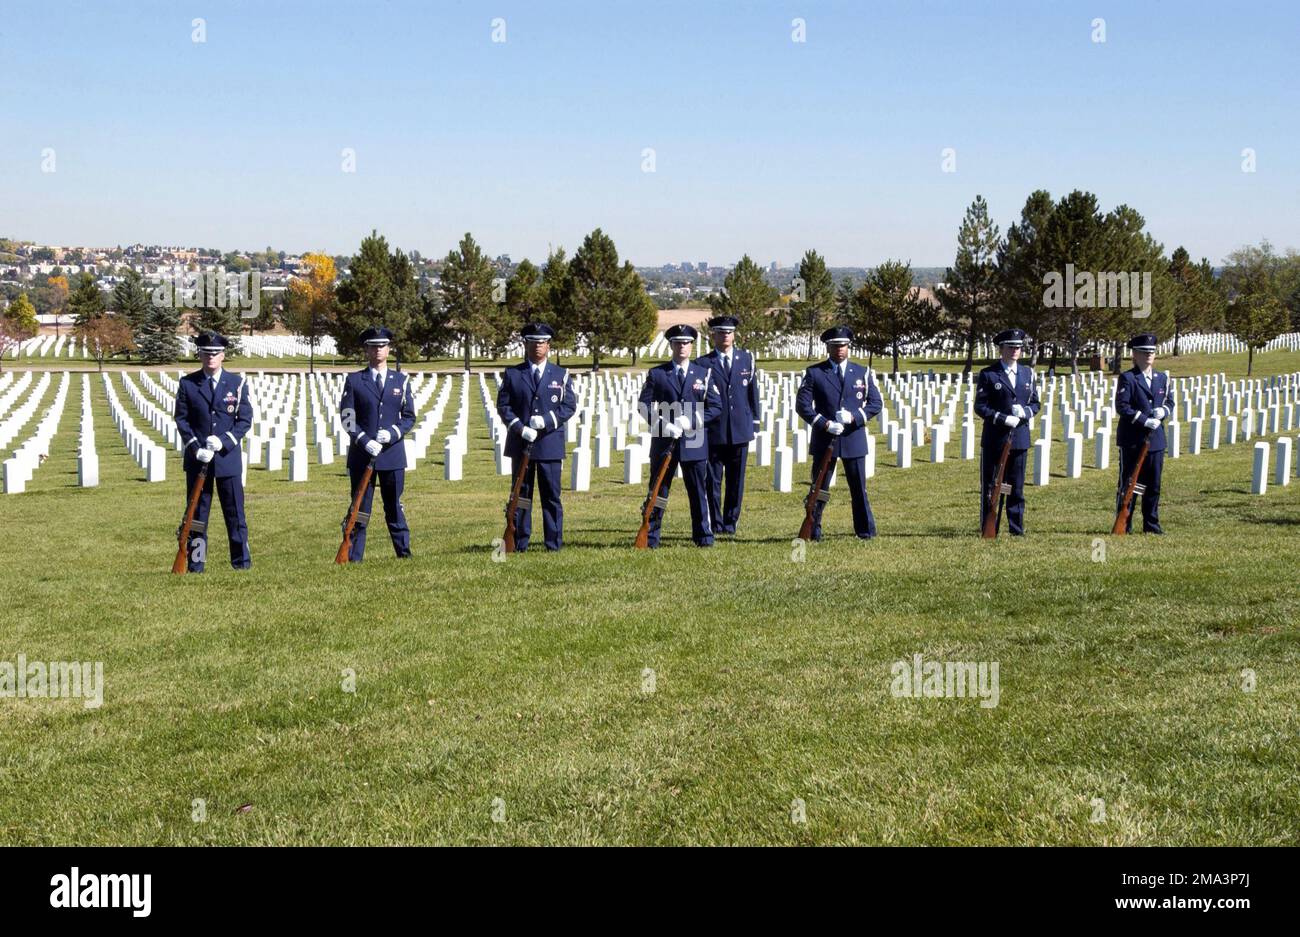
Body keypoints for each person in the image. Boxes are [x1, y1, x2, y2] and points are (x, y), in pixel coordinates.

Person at [173, 332, 253, 572]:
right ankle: (196, 564)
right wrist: (196, 449)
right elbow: (182, 419)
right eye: (206, 352)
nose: (211, 357)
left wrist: (224, 442)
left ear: (223, 355)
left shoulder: (237, 384)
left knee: (235, 515)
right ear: (199, 354)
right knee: (197, 516)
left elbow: (244, 420)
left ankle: (241, 562)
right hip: (199, 461)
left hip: (227, 460)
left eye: (215, 353)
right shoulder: (188, 384)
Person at [495, 322, 578, 551]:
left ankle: (553, 543)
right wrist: (520, 428)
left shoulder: (560, 374)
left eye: (542, 342)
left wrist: (548, 420)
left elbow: (569, 405)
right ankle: (520, 541)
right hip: (522, 444)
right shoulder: (513, 374)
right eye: (533, 342)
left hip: (549, 444)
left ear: (549, 346)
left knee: (551, 497)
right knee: (522, 496)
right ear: (526, 344)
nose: (538, 346)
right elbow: (503, 405)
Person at [637, 324, 722, 547]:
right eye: (678, 342)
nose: (682, 346)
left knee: (697, 491)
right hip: (664, 440)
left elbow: (715, 407)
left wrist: (691, 421)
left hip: (694, 440)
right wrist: (663, 424)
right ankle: (651, 536)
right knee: (659, 490)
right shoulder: (657, 374)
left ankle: (703, 536)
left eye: (686, 343)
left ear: (692, 346)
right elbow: (643, 405)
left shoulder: (704, 374)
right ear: (671, 345)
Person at [795, 326, 882, 540]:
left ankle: (865, 530)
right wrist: (824, 424)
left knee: (858, 489)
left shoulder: (862, 372)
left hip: (853, 437)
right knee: (819, 488)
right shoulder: (815, 373)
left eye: (843, 346)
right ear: (828, 347)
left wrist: (855, 417)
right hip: (826, 438)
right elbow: (803, 405)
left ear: (848, 347)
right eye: (835, 346)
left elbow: (875, 403)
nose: (840, 350)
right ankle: (813, 530)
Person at [338, 327, 416, 560]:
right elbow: (347, 417)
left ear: (389, 349)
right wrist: (364, 440)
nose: (378, 350)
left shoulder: (400, 380)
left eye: (382, 346)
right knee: (361, 508)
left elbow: (409, 416)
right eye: (373, 346)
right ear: (366, 350)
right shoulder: (354, 380)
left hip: (392, 455)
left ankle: (403, 552)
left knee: (394, 507)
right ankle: (354, 555)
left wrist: (393, 433)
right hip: (363, 455)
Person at [695, 315, 761, 536]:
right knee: (712, 481)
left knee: (736, 481)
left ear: (734, 335)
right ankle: (716, 523)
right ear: (713, 335)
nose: (725, 336)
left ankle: (731, 522)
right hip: (714, 430)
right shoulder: (703, 363)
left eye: (728, 332)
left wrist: (755, 423)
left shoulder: (746, 359)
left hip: (740, 430)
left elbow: (753, 393)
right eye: (720, 332)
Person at [973, 328, 1041, 536]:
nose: (1015, 351)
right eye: (1011, 347)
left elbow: (1036, 403)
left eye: (1018, 347)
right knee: (992, 485)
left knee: (1015, 486)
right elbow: (980, 407)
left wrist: (1026, 412)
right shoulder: (988, 374)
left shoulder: (1028, 373)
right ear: (1001, 349)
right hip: (995, 438)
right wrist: (1003, 418)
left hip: (1019, 439)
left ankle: (1016, 528)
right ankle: (989, 526)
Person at [1114, 332, 1173, 534]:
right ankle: (1124, 524)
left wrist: (1163, 412)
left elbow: (1170, 402)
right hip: (1133, 439)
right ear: (1135, 355)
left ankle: (1151, 525)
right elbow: (1122, 406)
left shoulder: (1162, 378)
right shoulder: (1128, 378)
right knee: (1130, 483)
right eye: (1144, 352)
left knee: (1153, 485)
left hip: (1156, 440)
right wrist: (1144, 419)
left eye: (1151, 352)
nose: (1149, 355)